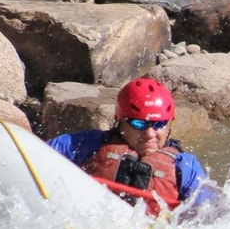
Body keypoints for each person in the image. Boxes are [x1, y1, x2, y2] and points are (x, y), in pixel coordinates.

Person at [47, 76, 209, 214]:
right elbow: (37, 155)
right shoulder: (87, 144)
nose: (150, 134)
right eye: (139, 124)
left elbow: (209, 208)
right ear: (120, 121)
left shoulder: (185, 167)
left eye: (159, 124)